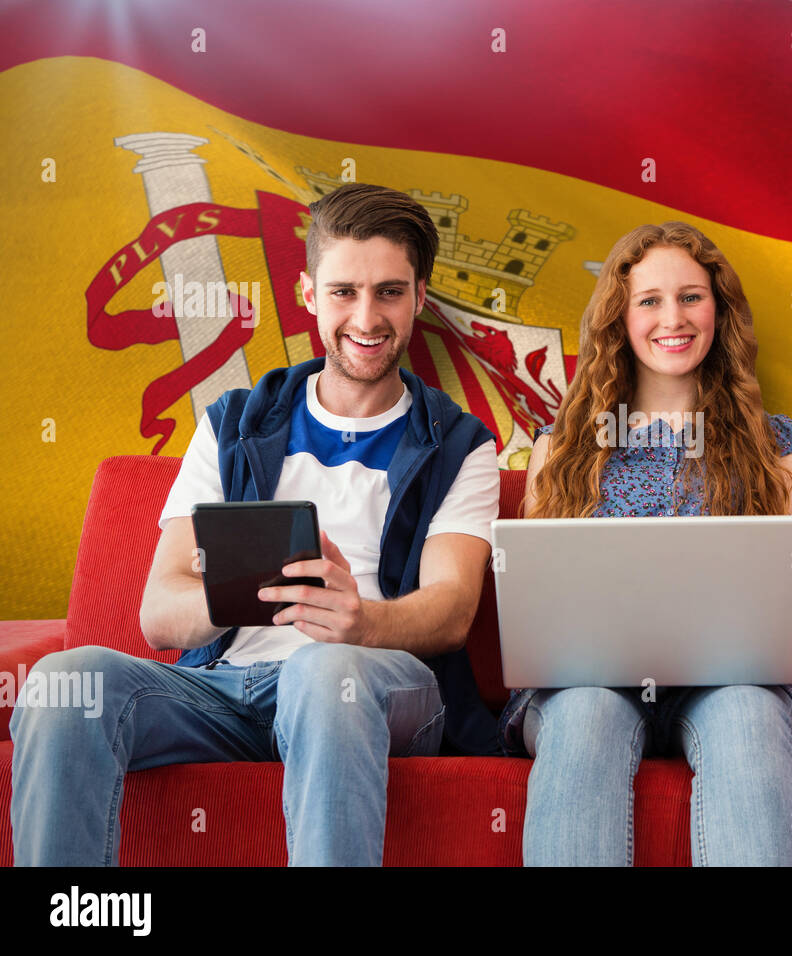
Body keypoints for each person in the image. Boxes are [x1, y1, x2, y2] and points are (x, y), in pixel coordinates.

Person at [9, 183, 502, 866]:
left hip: (371, 686)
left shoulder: (461, 444)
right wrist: (241, 593)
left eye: (390, 291)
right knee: (69, 682)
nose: (367, 315)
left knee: (324, 674)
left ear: (420, 296)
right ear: (307, 293)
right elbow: (160, 614)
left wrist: (361, 625)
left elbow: (451, 611)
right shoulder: (232, 423)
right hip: (226, 686)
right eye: (343, 292)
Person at [499, 221, 792, 867]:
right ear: (619, 317)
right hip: (587, 688)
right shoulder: (561, 448)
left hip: (735, 683)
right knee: (582, 721)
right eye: (650, 300)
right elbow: (540, 613)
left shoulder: (775, 446)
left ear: (718, 310)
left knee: (746, 716)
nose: (674, 317)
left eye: (692, 296)